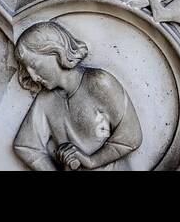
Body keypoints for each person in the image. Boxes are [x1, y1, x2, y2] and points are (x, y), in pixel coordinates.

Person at [12, 20, 143, 170]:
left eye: (35, 66)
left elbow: (131, 136)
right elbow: (26, 146)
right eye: (28, 71)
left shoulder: (99, 83)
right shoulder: (46, 99)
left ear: (56, 52)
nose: (34, 77)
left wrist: (91, 161)